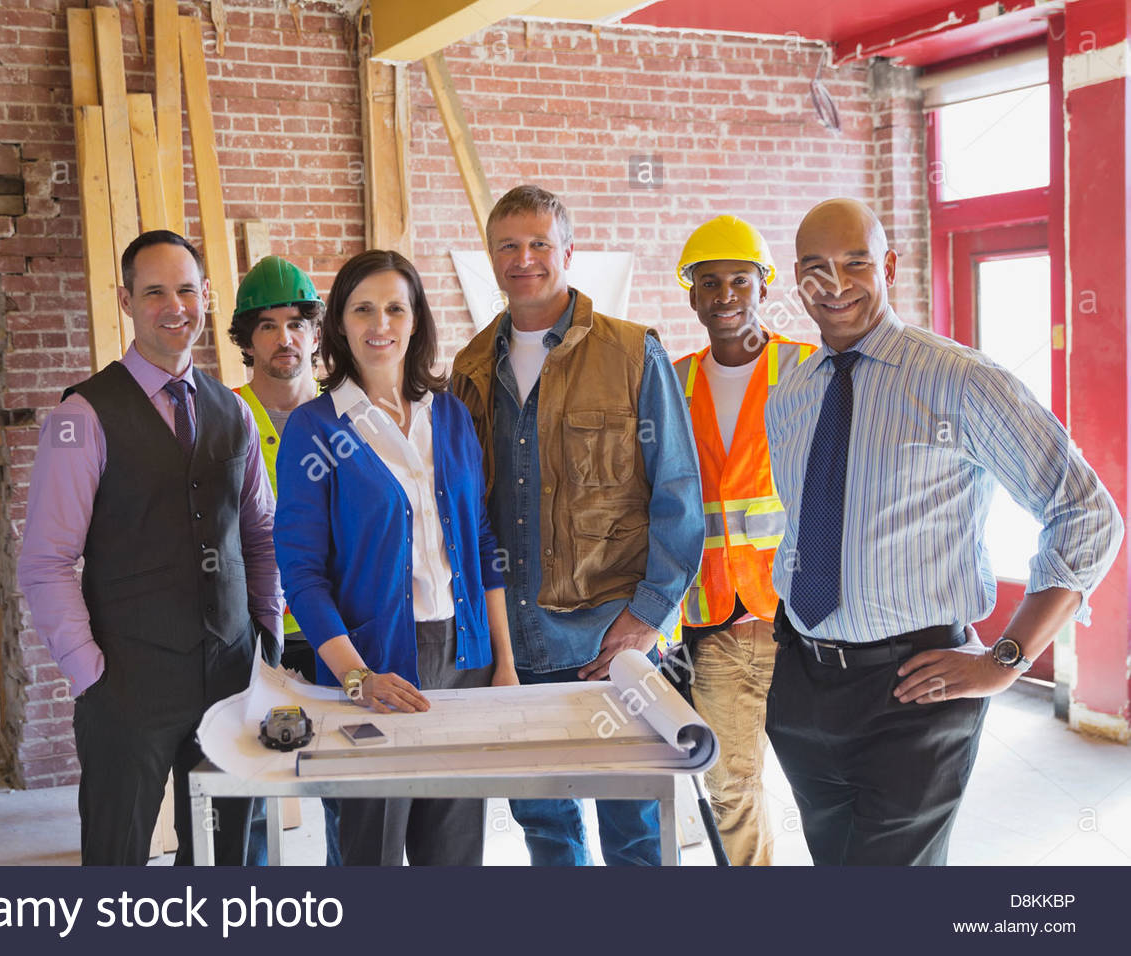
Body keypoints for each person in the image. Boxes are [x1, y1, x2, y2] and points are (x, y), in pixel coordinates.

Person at [765, 198, 1123, 865]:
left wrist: (1007, 659)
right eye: (816, 268)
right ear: (797, 279)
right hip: (803, 688)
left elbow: (1086, 512)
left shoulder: (961, 381)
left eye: (856, 263)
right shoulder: (791, 389)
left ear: (890, 267)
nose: (836, 284)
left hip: (916, 689)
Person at [451, 185, 704, 866]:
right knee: (545, 827)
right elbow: (469, 513)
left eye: (539, 243)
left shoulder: (631, 354)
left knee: (636, 829)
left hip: (608, 643)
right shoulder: (470, 368)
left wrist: (648, 616)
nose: (524, 258)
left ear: (568, 251)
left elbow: (679, 492)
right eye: (508, 245)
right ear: (491, 256)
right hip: (514, 649)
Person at [18, 229, 284, 866]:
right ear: (126, 300)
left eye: (188, 290)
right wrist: (90, 674)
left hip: (229, 673)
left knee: (225, 860)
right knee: (117, 857)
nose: (175, 306)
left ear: (207, 297)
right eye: (156, 291)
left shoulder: (235, 412)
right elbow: (46, 561)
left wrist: (265, 637)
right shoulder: (79, 418)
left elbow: (259, 534)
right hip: (125, 682)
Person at [274, 249, 519, 866]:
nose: (379, 323)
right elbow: (301, 575)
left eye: (394, 308)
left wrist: (504, 662)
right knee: (370, 858)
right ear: (340, 324)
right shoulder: (315, 430)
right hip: (374, 669)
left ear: (415, 321)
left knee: (454, 860)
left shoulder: (453, 417)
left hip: (465, 663)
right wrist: (357, 676)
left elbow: (483, 543)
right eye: (362, 309)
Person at [670, 214, 815, 867]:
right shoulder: (673, 382)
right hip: (715, 623)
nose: (725, 295)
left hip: (801, 619)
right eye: (709, 282)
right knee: (729, 788)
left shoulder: (807, 370)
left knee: (825, 786)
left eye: (739, 280)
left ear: (762, 286)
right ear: (692, 293)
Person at [227, 254, 340, 866]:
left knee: (347, 791)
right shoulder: (222, 415)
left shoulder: (347, 414)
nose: (284, 338)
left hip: (339, 632)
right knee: (253, 791)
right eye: (267, 326)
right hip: (255, 634)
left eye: (297, 323)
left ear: (316, 332)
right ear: (247, 339)